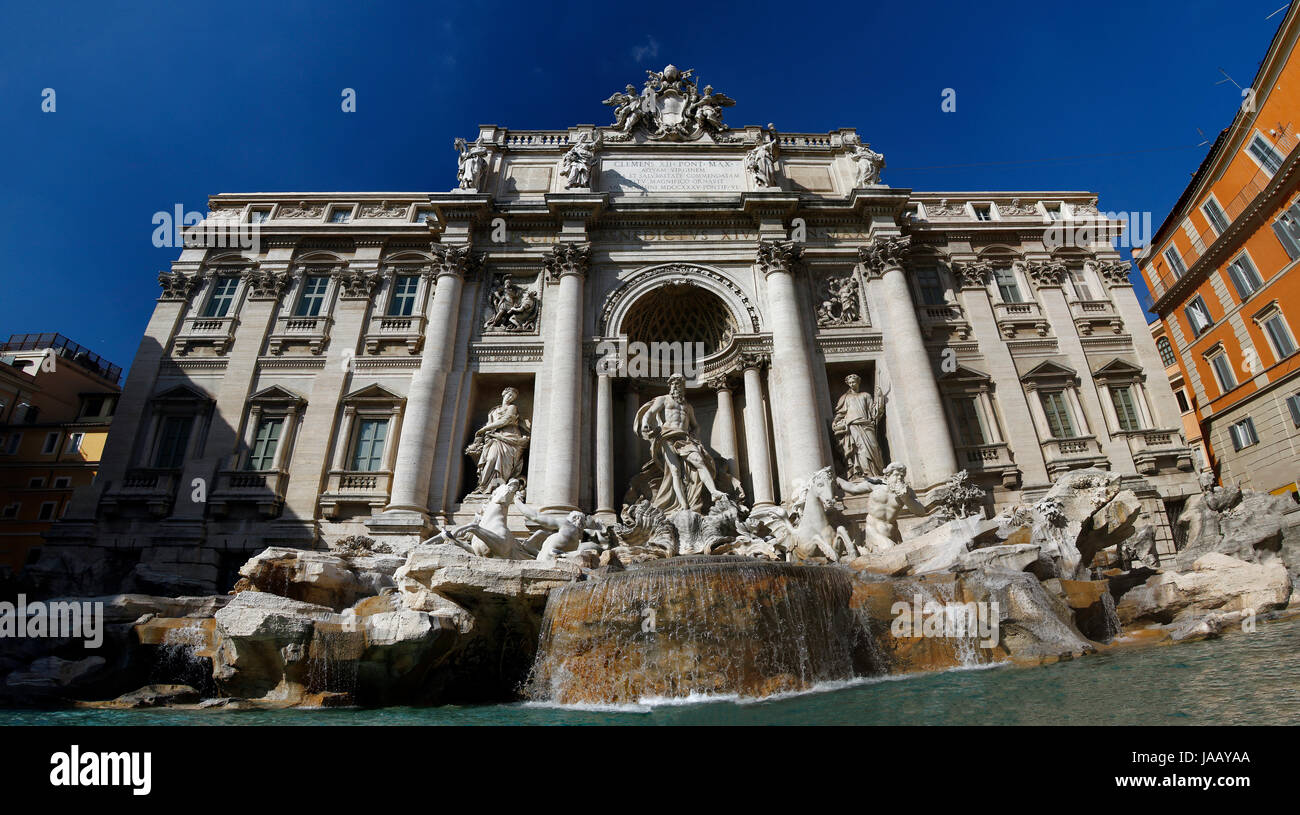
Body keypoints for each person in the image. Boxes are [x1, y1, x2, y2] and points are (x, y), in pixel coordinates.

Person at [634, 374, 723, 513]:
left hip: (684, 438)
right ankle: (684, 506)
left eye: (679, 384)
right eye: (674, 384)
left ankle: (714, 492)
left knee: (699, 461)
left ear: (683, 388)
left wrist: (695, 436)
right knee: (675, 471)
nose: (676, 387)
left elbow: (695, 425)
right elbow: (650, 412)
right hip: (667, 436)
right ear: (670, 386)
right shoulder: (664, 399)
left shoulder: (688, 407)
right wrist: (645, 423)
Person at [465, 387, 529, 494]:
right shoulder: (493, 411)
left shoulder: (512, 407)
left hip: (509, 437)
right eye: (509, 395)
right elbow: (490, 424)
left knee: (504, 465)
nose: (510, 398)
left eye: (513, 397)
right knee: (491, 459)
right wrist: (485, 432)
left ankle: (498, 488)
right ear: (504, 394)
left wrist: (485, 428)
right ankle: (484, 487)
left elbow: (506, 420)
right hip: (494, 438)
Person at [832, 374, 885, 479]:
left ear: (858, 382)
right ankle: (865, 473)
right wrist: (836, 422)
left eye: (854, 382)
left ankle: (876, 472)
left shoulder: (866, 395)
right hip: (852, 425)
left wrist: (880, 397)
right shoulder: (845, 398)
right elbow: (840, 413)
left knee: (874, 448)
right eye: (850, 383)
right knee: (860, 449)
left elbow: (874, 412)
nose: (852, 384)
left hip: (867, 425)